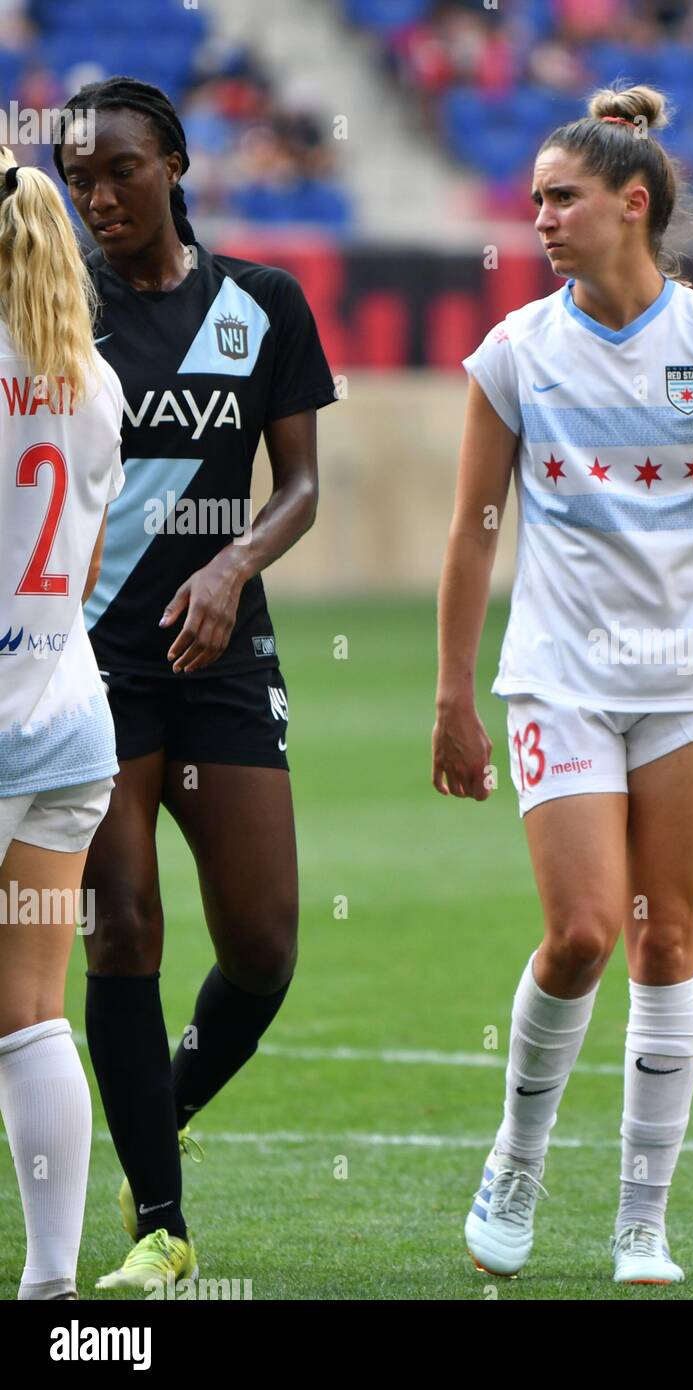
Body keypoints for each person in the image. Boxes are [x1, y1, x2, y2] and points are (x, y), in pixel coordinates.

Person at [433, 84, 693, 1285]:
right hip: (560, 675)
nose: (540, 218)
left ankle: (640, 1220)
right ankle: (518, 1152)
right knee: (584, 933)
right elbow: (471, 530)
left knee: (667, 942)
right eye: (535, 199)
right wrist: (454, 693)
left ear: (631, 204)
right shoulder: (515, 353)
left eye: (563, 198)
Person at [52, 77, 336, 1291]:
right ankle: (162, 1228)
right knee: (121, 929)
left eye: (118, 170)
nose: (98, 196)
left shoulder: (262, 302)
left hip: (226, 666)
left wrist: (234, 562)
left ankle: (148, 1125)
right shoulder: (57, 313)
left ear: (172, 161)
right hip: (96, 666)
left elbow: (304, 486)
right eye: (78, 180)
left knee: (264, 948)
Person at [0, 147, 125, 1299]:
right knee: (34, 1014)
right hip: (68, 726)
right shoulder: (93, 381)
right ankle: (50, 1289)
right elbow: (82, 572)